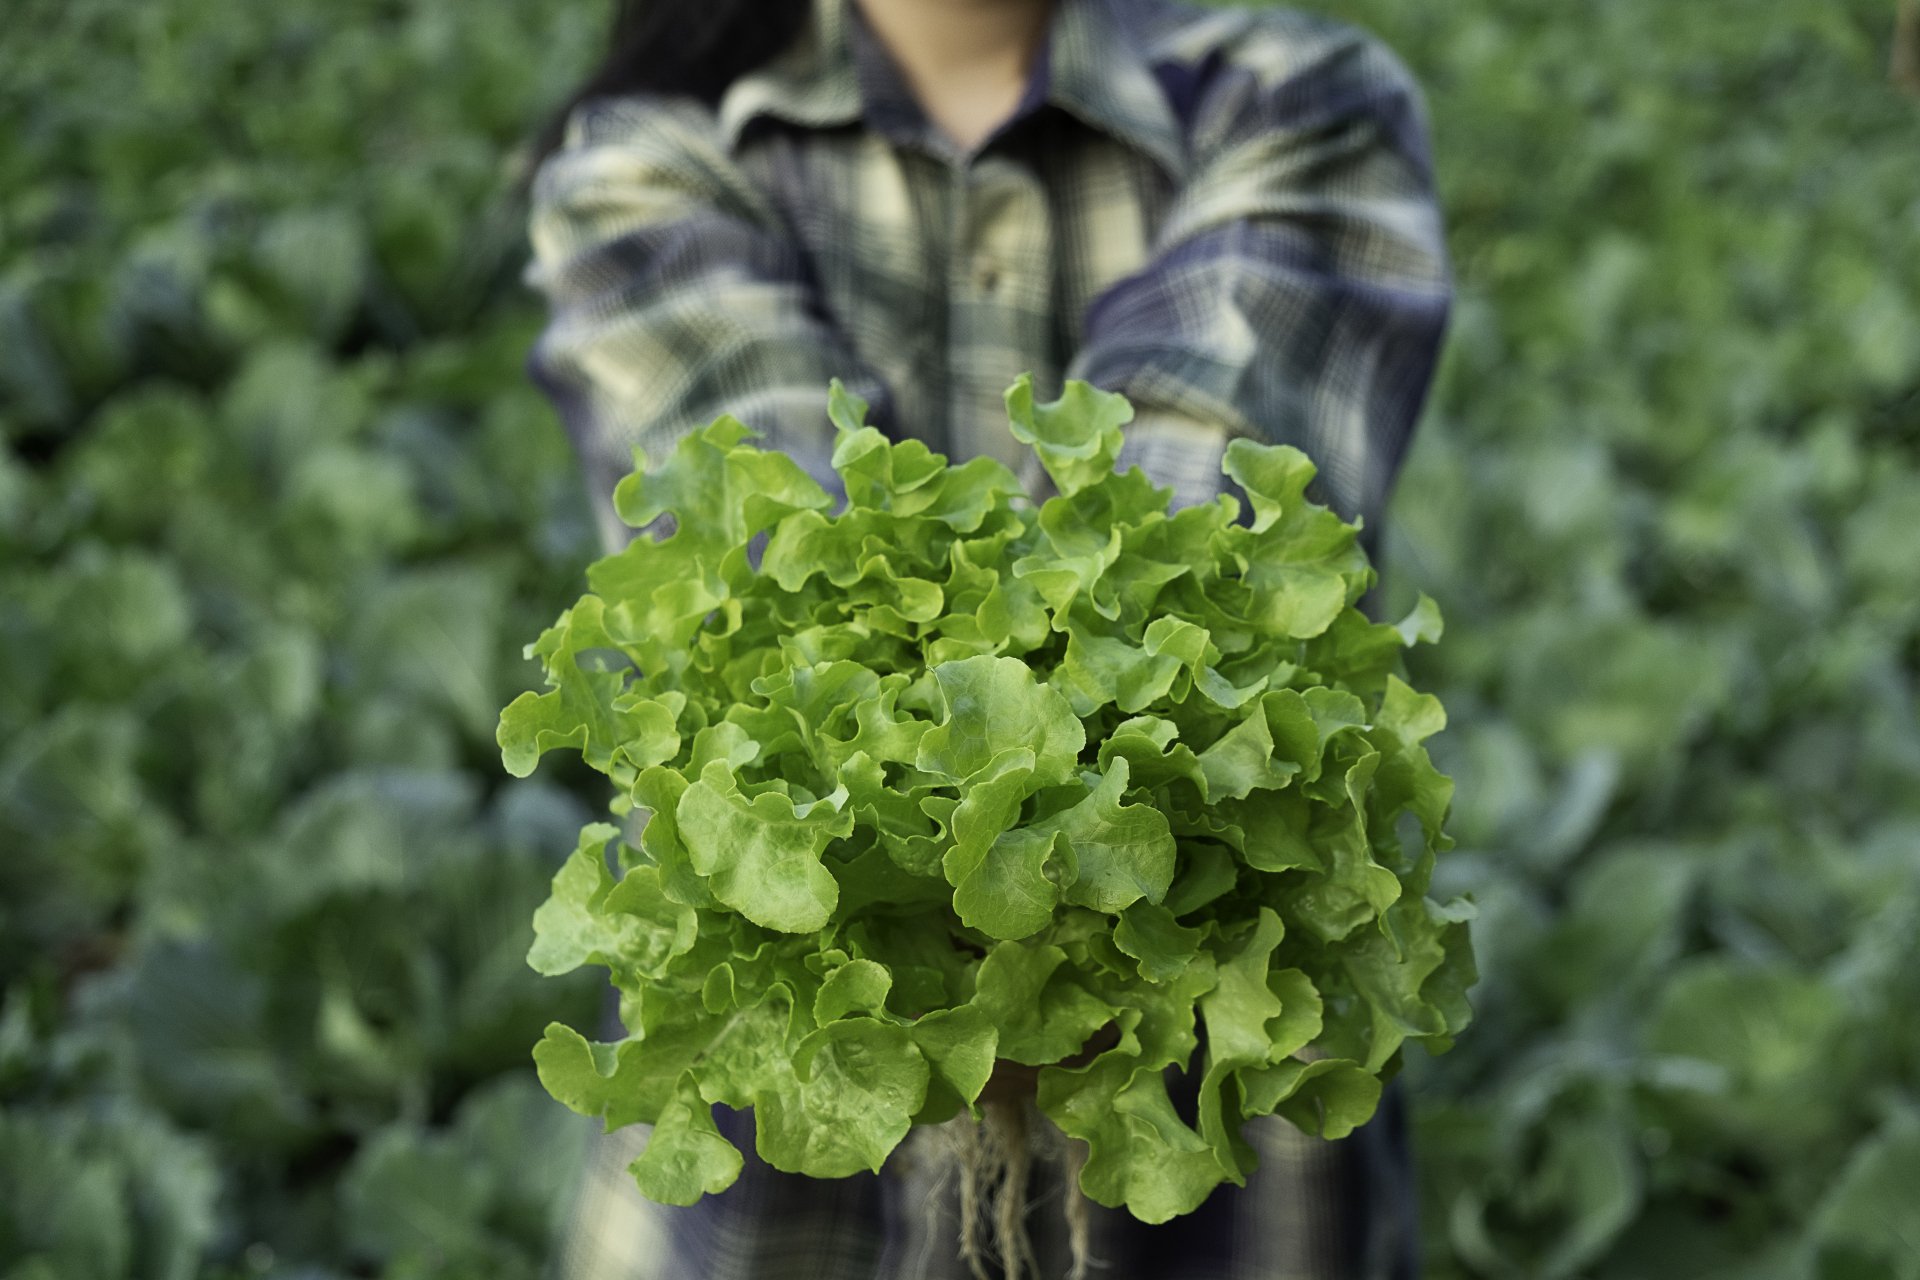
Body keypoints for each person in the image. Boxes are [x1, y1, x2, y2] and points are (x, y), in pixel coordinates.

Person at [521, 0, 1449, 1275]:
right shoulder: (644, 160)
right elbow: (765, 545)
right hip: (784, 1198)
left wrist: (1021, 875)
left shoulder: (1296, 99)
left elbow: (1203, 531)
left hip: (1216, 1162)